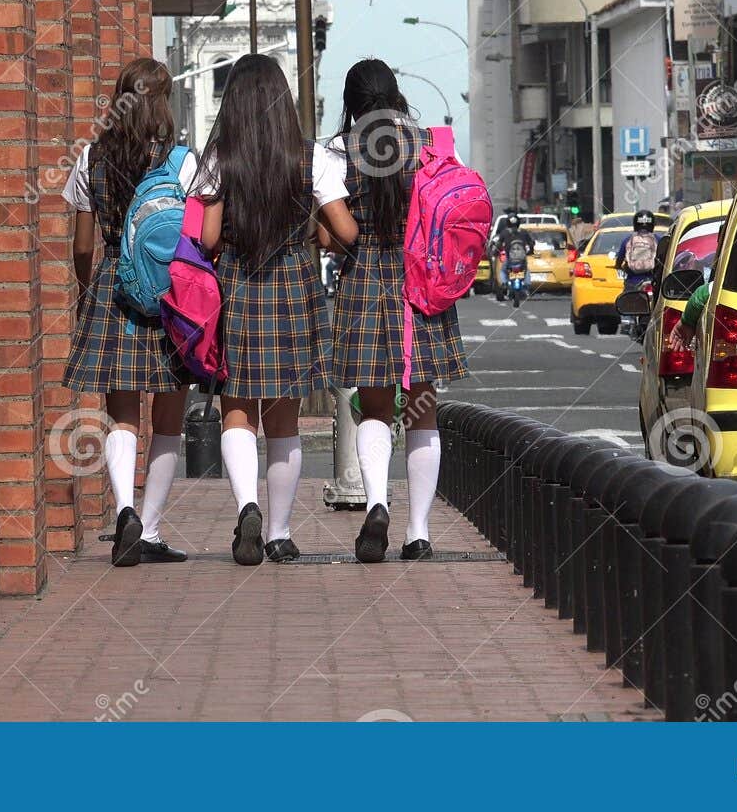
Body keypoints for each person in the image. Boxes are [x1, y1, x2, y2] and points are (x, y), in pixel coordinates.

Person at [194, 54, 357, 565]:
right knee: (284, 424)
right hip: (292, 286)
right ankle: (281, 533)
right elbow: (345, 232)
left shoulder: (221, 158)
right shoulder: (312, 158)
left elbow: (208, 236)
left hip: (238, 285)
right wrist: (316, 233)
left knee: (236, 413)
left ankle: (248, 507)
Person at [320, 60, 469, 562]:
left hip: (364, 285)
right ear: (397, 95)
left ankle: (378, 505)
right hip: (423, 285)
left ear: (352, 102)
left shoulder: (337, 152)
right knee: (423, 409)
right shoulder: (428, 144)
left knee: (374, 407)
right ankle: (420, 532)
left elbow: (331, 236)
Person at [61, 58, 194, 568]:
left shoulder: (91, 157)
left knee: (121, 413)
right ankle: (152, 527)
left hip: (113, 286)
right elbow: (199, 237)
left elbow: (80, 243)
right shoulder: (182, 162)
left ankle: (124, 513)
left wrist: (87, 283)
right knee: (167, 415)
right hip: (170, 297)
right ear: (164, 102)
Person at [615, 209, 661, 291]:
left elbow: (619, 261)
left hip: (633, 281)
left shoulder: (628, 240)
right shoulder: (658, 240)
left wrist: (620, 267)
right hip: (652, 281)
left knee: (626, 302)